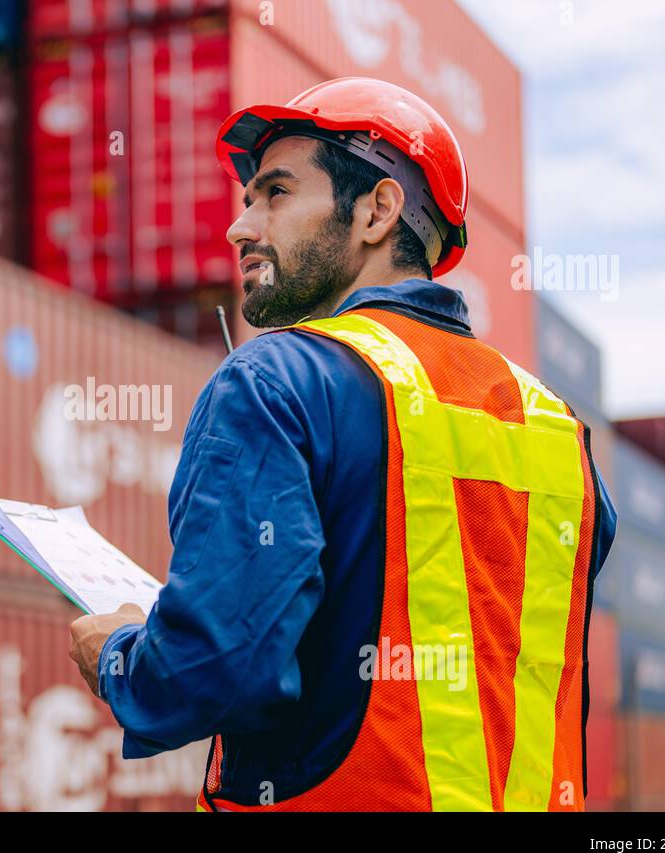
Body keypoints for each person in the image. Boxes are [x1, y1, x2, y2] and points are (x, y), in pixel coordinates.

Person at [69, 77, 617, 811]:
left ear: (376, 210)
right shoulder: (557, 428)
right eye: (247, 202)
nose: (241, 228)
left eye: (276, 194)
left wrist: (117, 656)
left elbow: (212, 669)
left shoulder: (276, 379)